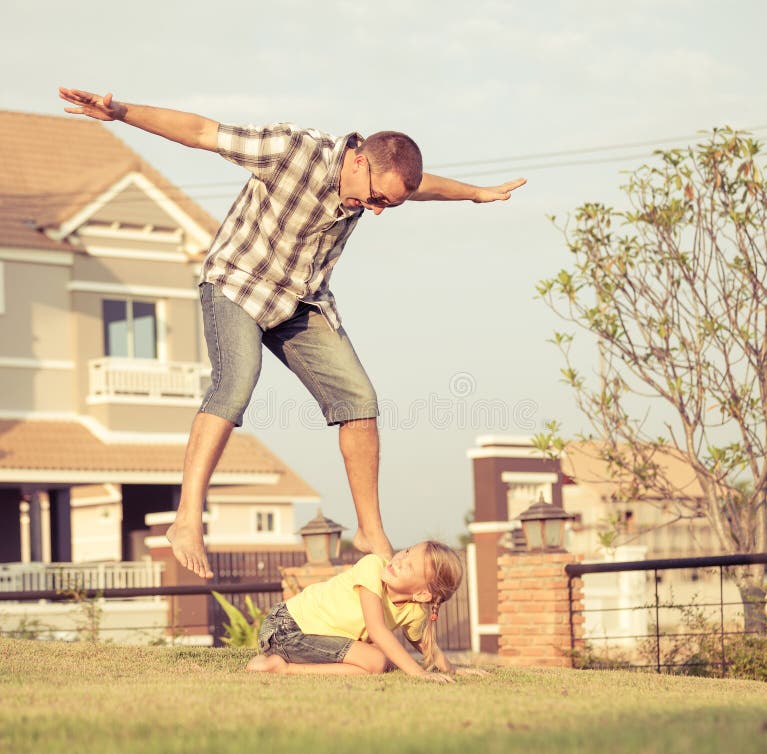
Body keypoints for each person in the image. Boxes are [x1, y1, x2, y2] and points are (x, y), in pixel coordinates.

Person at [59, 87, 526, 579]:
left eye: (388, 205)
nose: (375, 210)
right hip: (238, 284)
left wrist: (475, 193)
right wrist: (121, 112)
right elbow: (200, 132)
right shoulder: (290, 151)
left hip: (300, 301)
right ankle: (187, 519)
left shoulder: (377, 180)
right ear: (358, 160)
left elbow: (421, 184)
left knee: (359, 400)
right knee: (236, 383)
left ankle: (369, 529)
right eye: (375, 199)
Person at [246, 541, 482, 682]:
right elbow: (376, 629)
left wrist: (452, 669)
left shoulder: (414, 611)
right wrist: (419, 673)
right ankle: (282, 667)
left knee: (381, 662)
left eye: (409, 565)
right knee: (379, 658)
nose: (399, 558)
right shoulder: (373, 566)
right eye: (407, 551)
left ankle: (281, 665)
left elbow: (427, 645)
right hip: (286, 628)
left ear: (422, 595)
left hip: (314, 639)